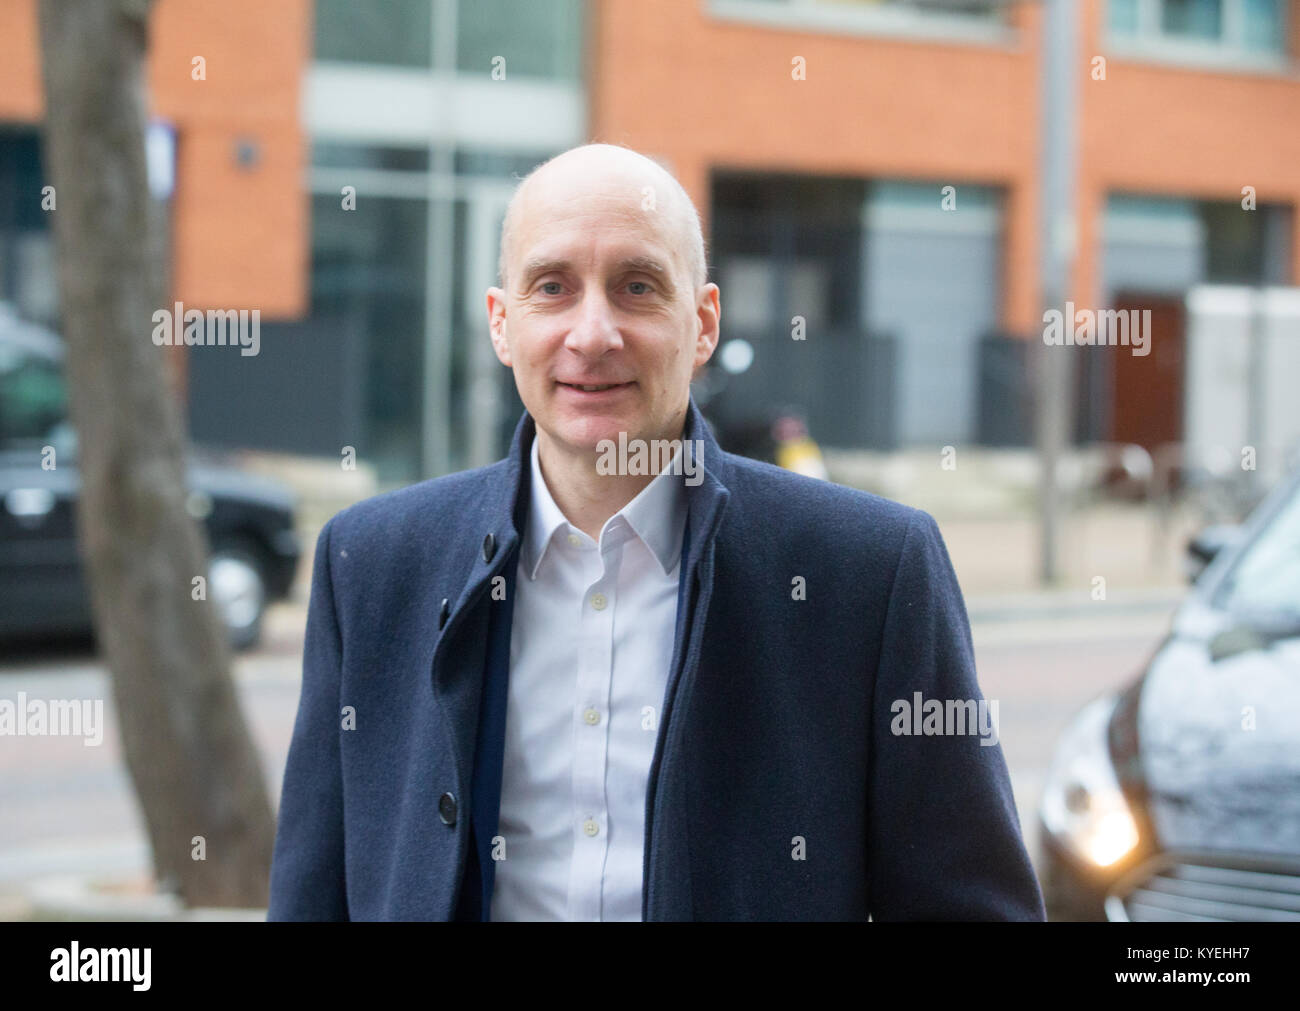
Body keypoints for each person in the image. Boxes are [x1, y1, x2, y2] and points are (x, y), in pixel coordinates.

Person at [267, 143, 1045, 921]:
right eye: (552, 287)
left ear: (702, 323)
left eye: (637, 287)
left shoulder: (871, 573)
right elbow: (312, 901)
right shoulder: (366, 566)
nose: (593, 333)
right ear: (503, 324)